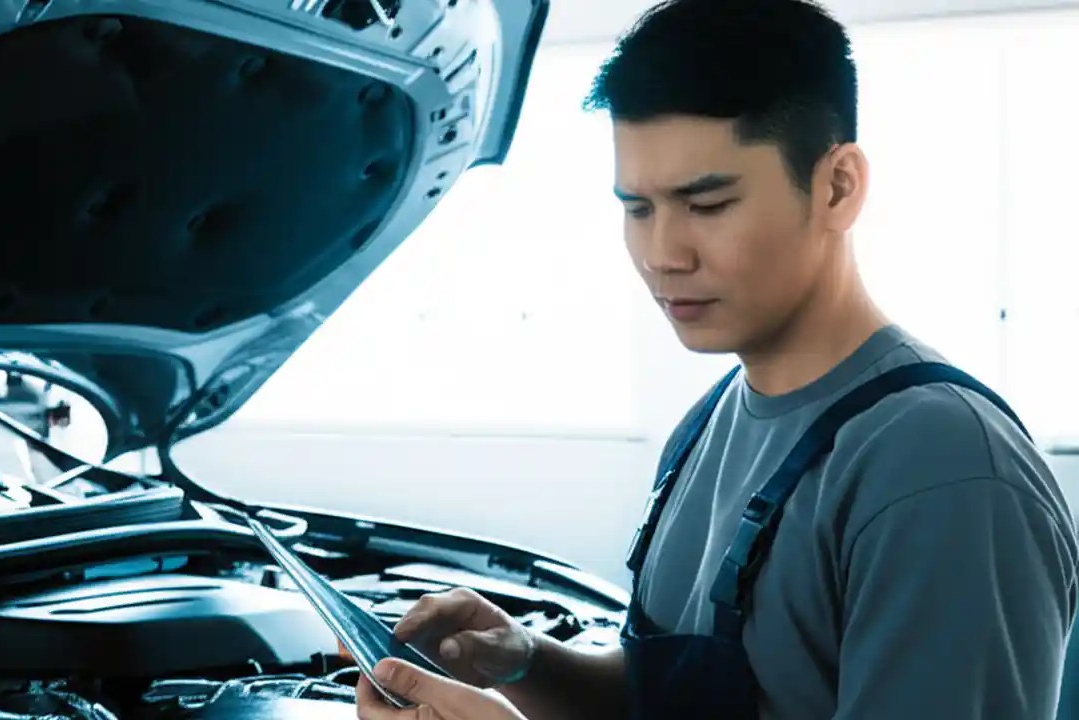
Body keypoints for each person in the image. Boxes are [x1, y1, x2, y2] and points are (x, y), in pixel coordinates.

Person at [354, 0, 1079, 718]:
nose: (662, 255)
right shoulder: (709, 424)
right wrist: (525, 662)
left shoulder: (942, 474)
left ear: (837, 187)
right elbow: (672, 702)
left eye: (707, 205)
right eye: (638, 208)